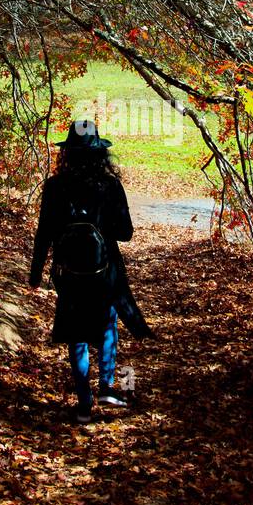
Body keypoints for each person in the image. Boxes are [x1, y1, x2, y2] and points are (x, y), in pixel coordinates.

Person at [29, 120, 152, 424]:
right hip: (104, 272)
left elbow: (44, 232)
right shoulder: (109, 185)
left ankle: (84, 404)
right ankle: (106, 387)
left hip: (69, 273)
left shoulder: (55, 186)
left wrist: (35, 273)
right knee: (108, 324)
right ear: (99, 153)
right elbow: (125, 233)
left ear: (67, 153)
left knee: (76, 334)